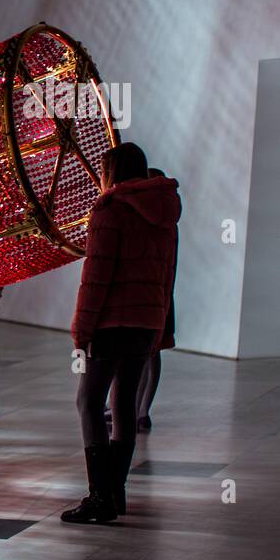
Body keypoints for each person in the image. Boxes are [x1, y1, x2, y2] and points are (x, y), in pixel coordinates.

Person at [64, 144, 179, 523]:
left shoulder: (109, 209)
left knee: (89, 401)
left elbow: (95, 278)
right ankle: (115, 494)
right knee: (124, 402)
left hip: (112, 323)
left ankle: (101, 496)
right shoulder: (165, 212)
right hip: (146, 322)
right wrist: (160, 323)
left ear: (109, 171)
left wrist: (81, 330)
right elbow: (167, 277)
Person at [103, 167, 176, 433]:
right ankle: (140, 411)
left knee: (134, 355)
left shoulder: (128, 213)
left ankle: (132, 411)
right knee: (150, 353)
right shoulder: (167, 218)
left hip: (142, 295)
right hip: (159, 293)